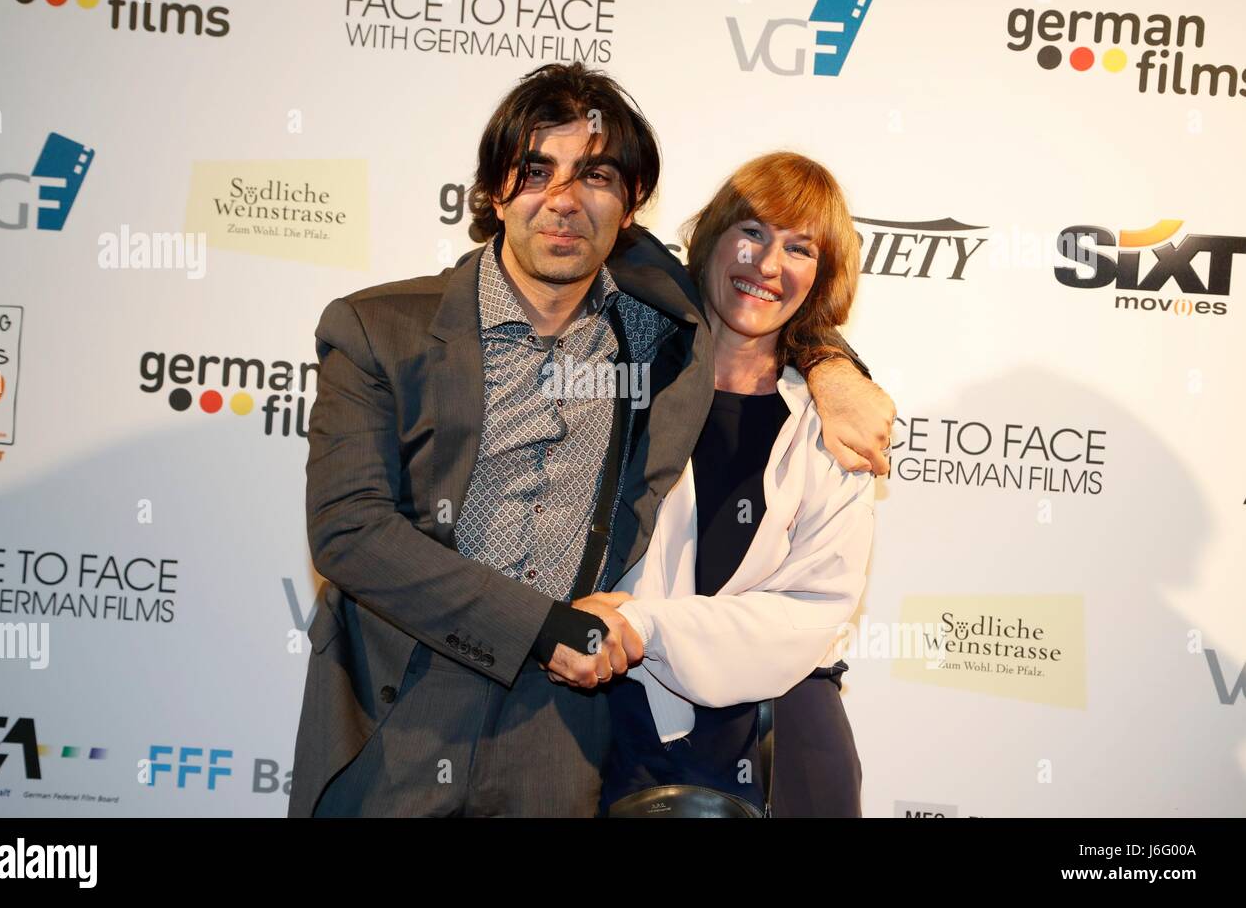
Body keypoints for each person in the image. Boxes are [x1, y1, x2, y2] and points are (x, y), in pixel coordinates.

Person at [287, 62, 894, 817]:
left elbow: (766, 305)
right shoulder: (380, 328)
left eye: (597, 175)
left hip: (562, 733)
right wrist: (540, 627)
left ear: (632, 205)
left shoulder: (652, 332)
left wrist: (834, 365)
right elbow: (349, 530)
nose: (565, 200)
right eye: (537, 170)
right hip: (399, 707)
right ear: (495, 191)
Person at [597, 152, 873, 817]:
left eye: (800, 247)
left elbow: (811, 607)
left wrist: (643, 623)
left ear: (823, 274)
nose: (769, 265)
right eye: (751, 231)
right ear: (711, 236)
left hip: (787, 745)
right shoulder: (622, 374)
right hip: (621, 725)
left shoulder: (837, 424)